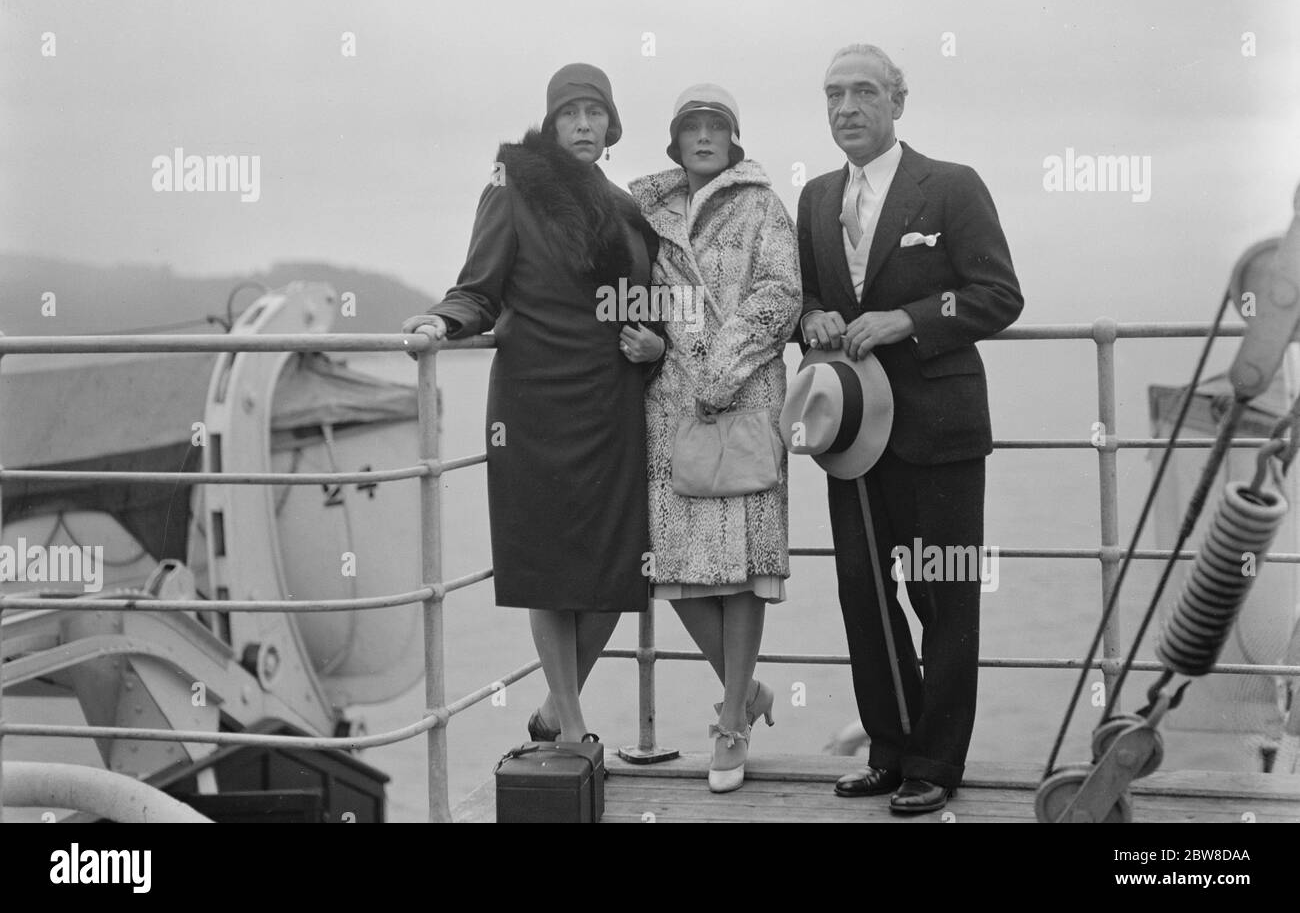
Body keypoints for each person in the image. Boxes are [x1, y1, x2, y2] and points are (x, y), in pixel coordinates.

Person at [401, 63, 666, 744]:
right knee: (549, 567)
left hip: (612, 403)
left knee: (618, 566)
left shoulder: (628, 209)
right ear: (551, 124)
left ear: (612, 127)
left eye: (594, 112)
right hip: (537, 403)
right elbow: (479, 284)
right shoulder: (513, 186)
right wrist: (443, 322)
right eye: (569, 113)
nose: (582, 123)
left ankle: (555, 704)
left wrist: (656, 342)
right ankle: (573, 728)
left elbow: (648, 303)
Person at [795, 44, 1023, 814]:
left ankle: (937, 763)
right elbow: (808, 300)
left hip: (941, 431)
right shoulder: (816, 197)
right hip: (852, 436)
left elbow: (997, 294)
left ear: (898, 101)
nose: (846, 108)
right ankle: (888, 751)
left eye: (863, 92)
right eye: (833, 94)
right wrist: (813, 317)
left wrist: (909, 320)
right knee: (864, 595)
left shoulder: (952, 187)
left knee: (945, 594)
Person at [629, 84, 801, 792]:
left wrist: (719, 366)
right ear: (675, 140)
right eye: (691, 127)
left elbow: (781, 293)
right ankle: (746, 689)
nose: (703, 137)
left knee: (744, 567)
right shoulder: (646, 212)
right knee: (681, 570)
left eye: (716, 127)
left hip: (746, 393)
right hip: (671, 401)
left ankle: (731, 722)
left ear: (734, 139)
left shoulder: (763, 206)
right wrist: (640, 340)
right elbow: (628, 285)